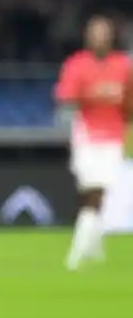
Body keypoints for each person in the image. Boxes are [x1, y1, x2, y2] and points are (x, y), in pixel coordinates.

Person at [55, 14, 130, 270]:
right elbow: (66, 101)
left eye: (103, 32)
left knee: (97, 194)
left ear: (111, 36)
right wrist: (67, 132)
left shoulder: (123, 66)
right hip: (85, 134)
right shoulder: (76, 65)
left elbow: (129, 104)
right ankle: (93, 248)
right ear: (87, 36)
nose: (99, 37)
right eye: (94, 32)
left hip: (112, 138)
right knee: (89, 193)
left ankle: (77, 254)